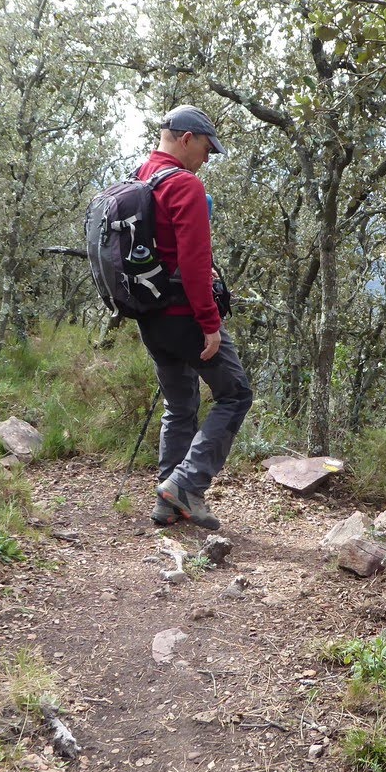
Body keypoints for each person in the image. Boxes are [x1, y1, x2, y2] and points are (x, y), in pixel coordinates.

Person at [136, 104, 252, 531]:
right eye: (206, 148)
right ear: (186, 139)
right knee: (236, 394)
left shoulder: (143, 174)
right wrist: (209, 323)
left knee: (180, 404)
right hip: (186, 314)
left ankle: (169, 501)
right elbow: (196, 261)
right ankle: (186, 484)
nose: (207, 158)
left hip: (150, 316)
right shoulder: (183, 185)